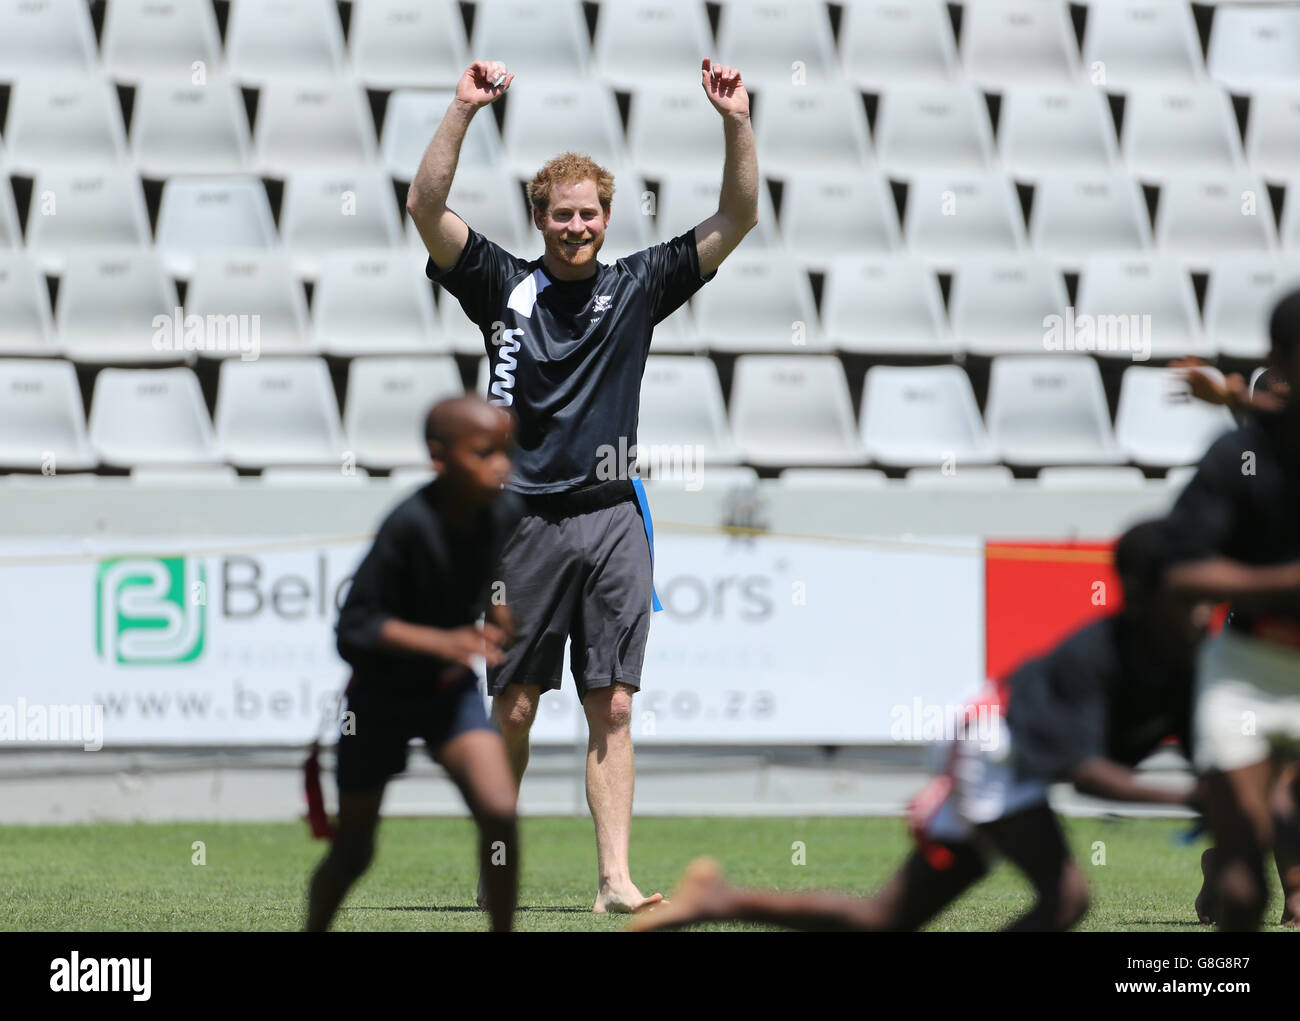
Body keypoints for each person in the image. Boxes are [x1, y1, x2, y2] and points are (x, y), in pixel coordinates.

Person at [404, 58, 759, 912]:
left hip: (611, 521)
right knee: (517, 706)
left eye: (589, 213)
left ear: (607, 217)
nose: (575, 227)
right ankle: (499, 856)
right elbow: (423, 207)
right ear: (539, 218)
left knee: (617, 706)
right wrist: (461, 110)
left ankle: (614, 878)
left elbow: (739, 215)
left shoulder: (636, 286)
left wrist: (736, 121)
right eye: (561, 215)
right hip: (520, 524)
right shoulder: (500, 284)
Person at [629, 521, 1206, 932]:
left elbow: (1212, 753)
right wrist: (1191, 796)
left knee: (885, 920)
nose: (1204, 607)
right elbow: (1084, 777)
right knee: (1066, 899)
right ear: (1141, 595)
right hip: (991, 746)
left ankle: (719, 899)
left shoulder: (1187, 657)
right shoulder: (1095, 656)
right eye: (1189, 595)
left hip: (1005, 752)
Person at [305, 397, 523, 932]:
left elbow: (489, 571)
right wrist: (444, 643)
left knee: (499, 810)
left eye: (506, 453)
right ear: (438, 457)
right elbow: (354, 628)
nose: (502, 466)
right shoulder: (407, 525)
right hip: (377, 701)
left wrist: (497, 608)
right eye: (484, 454)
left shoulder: (501, 512)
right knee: (354, 853)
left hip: (447, 694)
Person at [1163, 289, 1300, 930]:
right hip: (1250, 667)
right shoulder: (1238, 458)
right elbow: (1181, 567)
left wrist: (1230, 398)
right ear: (1281, 359)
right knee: (1248, 888)